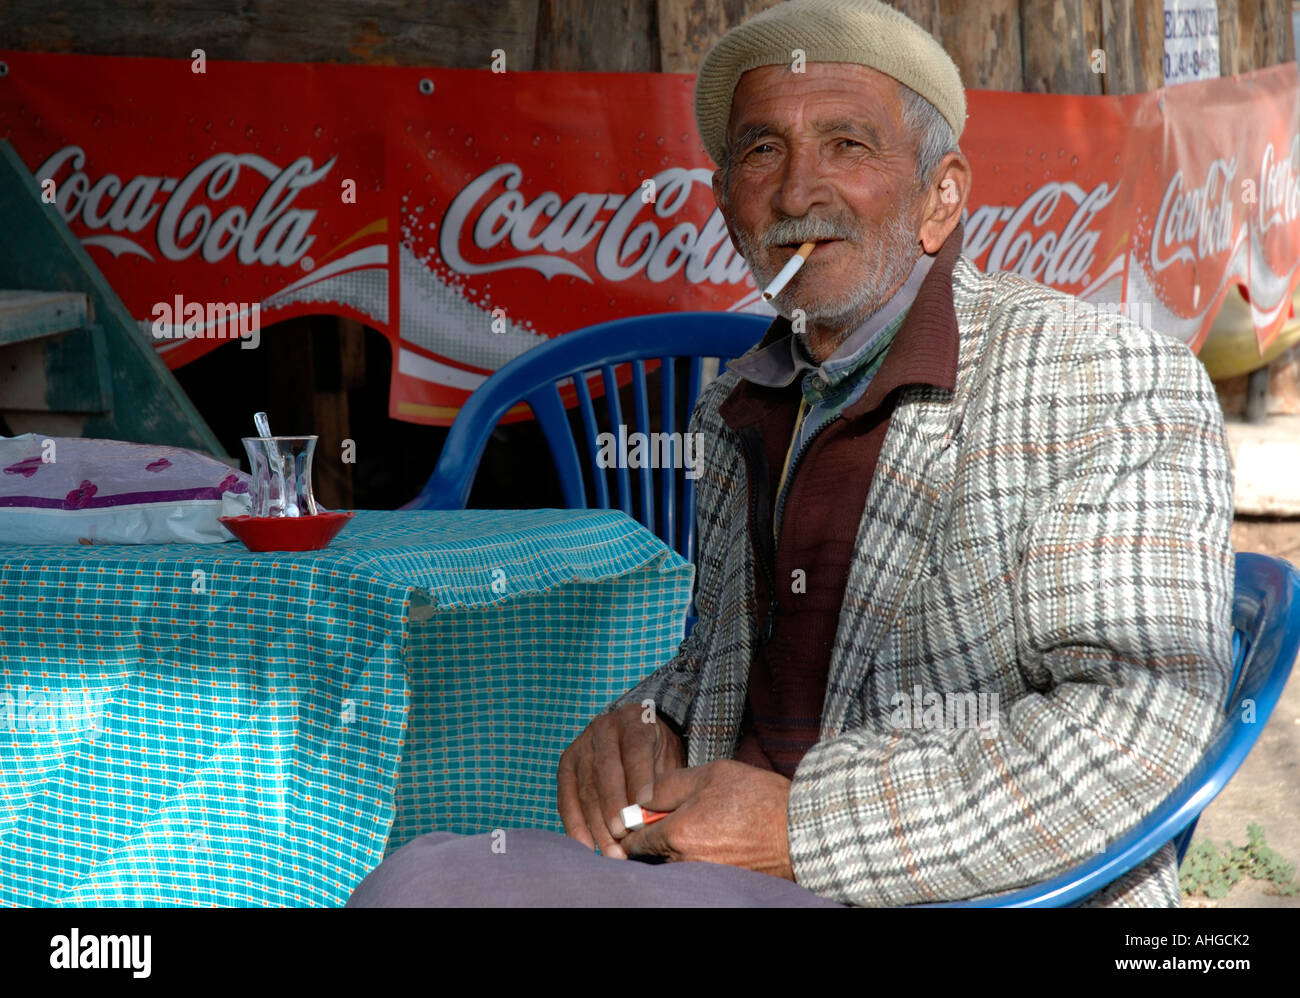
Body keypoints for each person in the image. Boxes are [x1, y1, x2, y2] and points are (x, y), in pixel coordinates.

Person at [348, 0, 1234, 908]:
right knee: (421, 873)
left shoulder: (1098, 375)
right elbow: (728, 664)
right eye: (763, 150)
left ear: (942, 196)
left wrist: (799, 831)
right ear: (728, 200)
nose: (798, 191)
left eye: (849, 146)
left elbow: (1138, 729)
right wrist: (654, 722)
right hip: (720, 865)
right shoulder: (746, 395)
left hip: (954, 893)